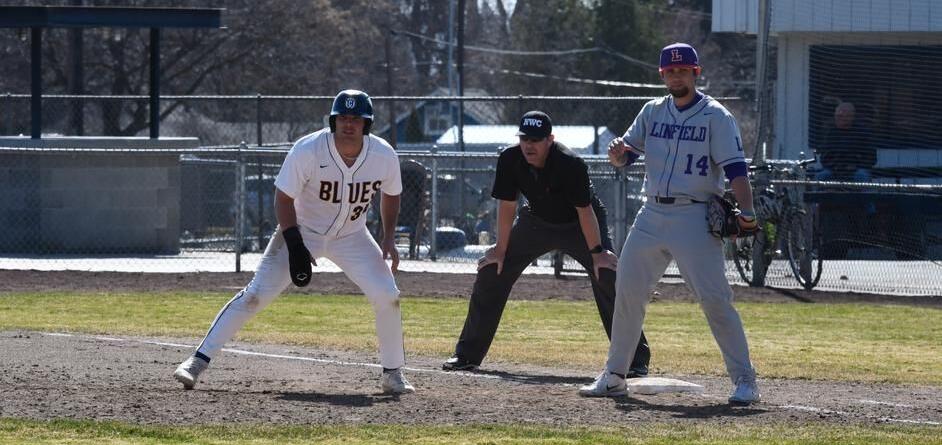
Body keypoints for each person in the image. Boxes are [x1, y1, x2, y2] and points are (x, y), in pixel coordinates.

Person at [173, 89, 414, 395]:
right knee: (255, 296)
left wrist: (389, 237)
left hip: (352, 236)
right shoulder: (309, 149)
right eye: (342, 117)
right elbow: (283, 198)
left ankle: (393, 374)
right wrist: (295, 244)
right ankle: (196, 361)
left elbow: (392, 194)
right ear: (333, 120)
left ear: (367, 125)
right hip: (301, 231)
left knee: (387, 294)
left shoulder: (382, 155)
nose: (348, 124)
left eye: (356, 118)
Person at [579, 43, 760, 405]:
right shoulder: (653, 111)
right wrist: (618, 154)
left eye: (683, 70)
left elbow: (736, 169)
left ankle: (745, 380)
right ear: (662, 75)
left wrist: (748, 213)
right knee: (627, 292)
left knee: (714, 299)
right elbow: (627, 155)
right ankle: (615, 375)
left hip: (693, 215)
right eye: (670, 71)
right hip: (651, 214)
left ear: (696, 72)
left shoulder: (716, 116)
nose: (677, 75)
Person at [442, 110, 651, 375]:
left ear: (549, 140)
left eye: (536, 139)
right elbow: (507, 206)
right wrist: (500, 249)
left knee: (607, 275)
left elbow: (585, 211)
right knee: (491, 271)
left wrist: (598, 253)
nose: (529, 145)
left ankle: (635, 360)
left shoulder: (569, 163)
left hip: (578, 223)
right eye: (525, 139)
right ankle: (466, 355)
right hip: (536, 221)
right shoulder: (510, 158)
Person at [816, 102, 875, 182]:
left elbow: (871, 158)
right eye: (836, 116)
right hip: (834, 170)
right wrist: (834, 166)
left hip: (857, 169)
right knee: (821, 176)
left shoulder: (863, 133)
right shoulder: (830, 133)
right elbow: (824, 157)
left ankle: (865, 195)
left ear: (851, 117)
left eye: (840, 116)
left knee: (862, 176)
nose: (837, 119)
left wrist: (855, 166)